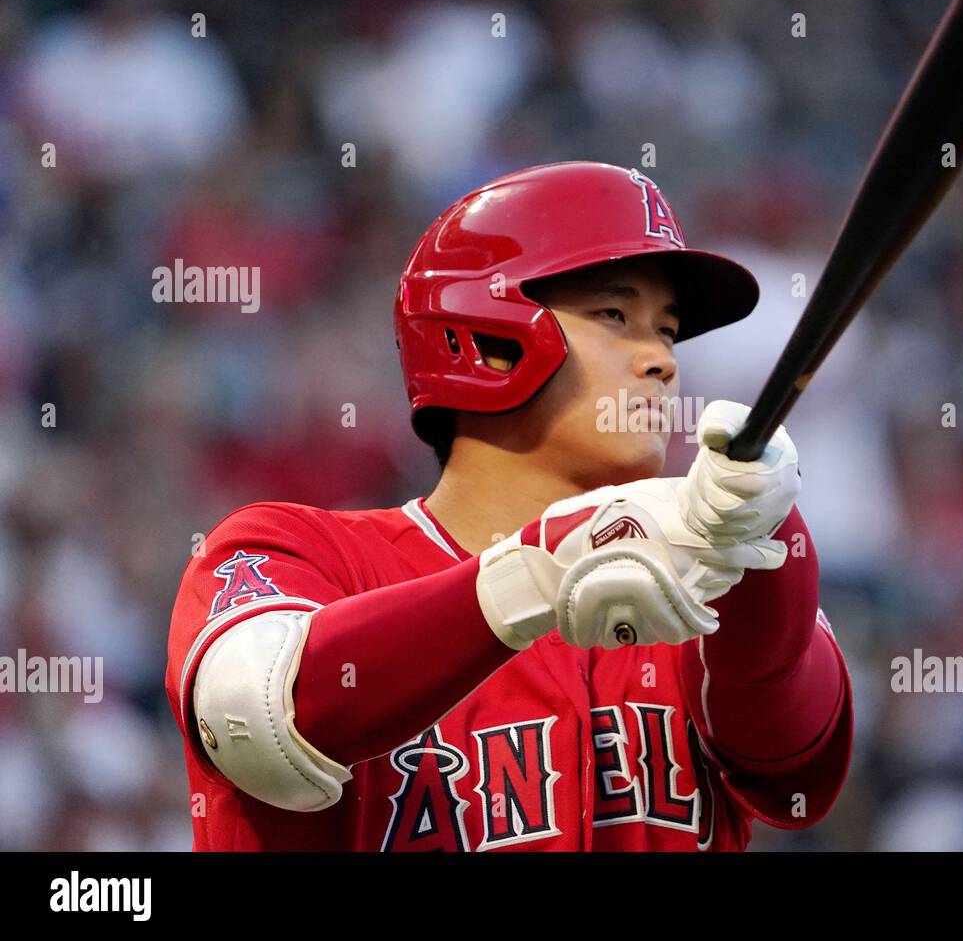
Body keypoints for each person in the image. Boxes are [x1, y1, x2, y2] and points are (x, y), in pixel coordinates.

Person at [164, 161, 852, 851]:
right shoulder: (290, 548)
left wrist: (758, 537)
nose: (661, 361)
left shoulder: (694, 599)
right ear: (487, 340)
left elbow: (791, 758)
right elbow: (255, 716)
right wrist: (535, 574)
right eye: (614, 315)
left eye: (667, 331)